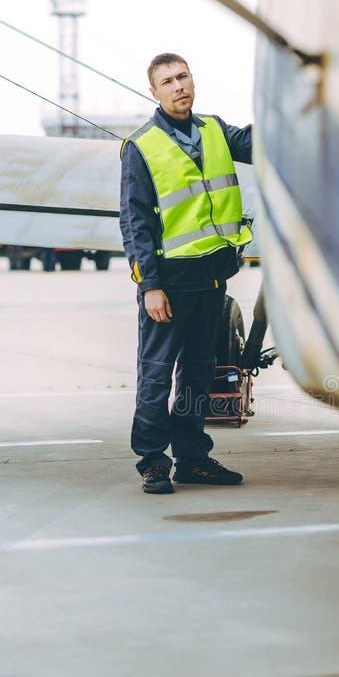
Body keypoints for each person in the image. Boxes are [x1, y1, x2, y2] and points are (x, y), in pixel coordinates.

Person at [120, 52, 252, 494]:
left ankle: (192, 457)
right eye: (168, 81)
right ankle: (152, 461)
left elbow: (262, 145)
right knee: (156, 375)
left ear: (193, 81)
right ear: (153, 92)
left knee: (198, 373)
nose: (179, 86)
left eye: (183, 77)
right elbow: (135, 222)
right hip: (169, 286)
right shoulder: (141, 146)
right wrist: (149, 286)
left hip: (212, 279)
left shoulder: (214, 130)